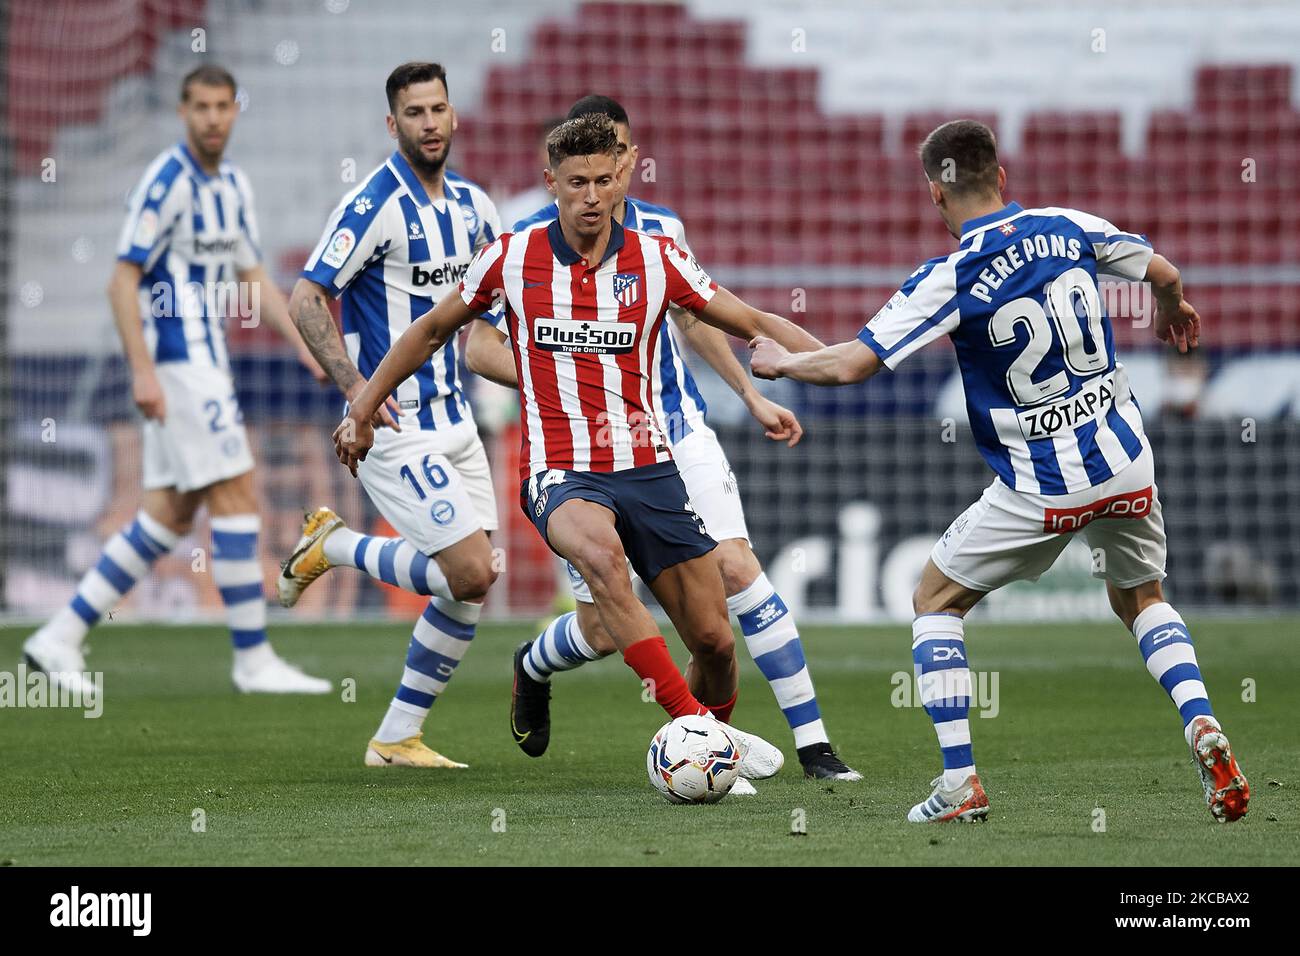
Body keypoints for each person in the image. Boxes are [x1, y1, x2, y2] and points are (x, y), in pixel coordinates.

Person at [750, 119, 1249, 823]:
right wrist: (1174, 307)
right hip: (1126, 459)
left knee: (935, 601)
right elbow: (1162, 271)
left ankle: (960, 783)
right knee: (1141, 596)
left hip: (1043, 485)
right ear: (1001, 177)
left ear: (935, 193)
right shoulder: (1066, 224)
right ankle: (1199, 718)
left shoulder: (949, 276)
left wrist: (783, 363)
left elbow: (852, 364)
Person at [335, 114, 825, 784]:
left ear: (620, 176)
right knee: (603, 558)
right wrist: (362, 407)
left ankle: (694, 729)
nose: (591, 195)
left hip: (650, 465)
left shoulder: (657, 258)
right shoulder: (511, 255)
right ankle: (706, 735)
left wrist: (837, 361)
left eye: (601, 179)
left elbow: (749, 321)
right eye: (576, 183)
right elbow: (431, 330)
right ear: (551, 184)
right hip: (560, 470)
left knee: (713, 640)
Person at [467, 95, 860, 781]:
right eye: (591, 167)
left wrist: (748, 391)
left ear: (630, 160)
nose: (606, 177)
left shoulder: (661, 235)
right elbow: (479, 346)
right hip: (580, 450)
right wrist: (554, 381)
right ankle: (535, 665)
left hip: (675, 432)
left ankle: (809, 747)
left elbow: (697, 318)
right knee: (601, 621)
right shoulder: (531, 238)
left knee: (734, 579)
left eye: (618, 158)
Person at [23, 64, 331, 695]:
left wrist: (305, 346)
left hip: (207, 362)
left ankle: (58, 636)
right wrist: (143, 371)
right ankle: (252, 658)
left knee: (164, 517)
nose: (213, 117)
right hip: (179, 366)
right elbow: (121, 280)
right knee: (240, 491)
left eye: (223, 106)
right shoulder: (166, 180)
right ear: (183, 111)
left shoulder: (236, 186)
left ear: (235, 111)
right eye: (201, 106)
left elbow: (251, 277)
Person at [281, 62, 502, 768]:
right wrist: (358, 397)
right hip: (393, 424)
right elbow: (306, 298)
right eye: (415, 113)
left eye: (439, 108)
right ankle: (334, 547)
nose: (430, 122)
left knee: (473, 585)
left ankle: (396, 737)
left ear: (454, 115)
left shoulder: (476, 209)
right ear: (393, 124)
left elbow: (496, 317)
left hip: (458, 421)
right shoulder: (373, 203)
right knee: (468, 573)